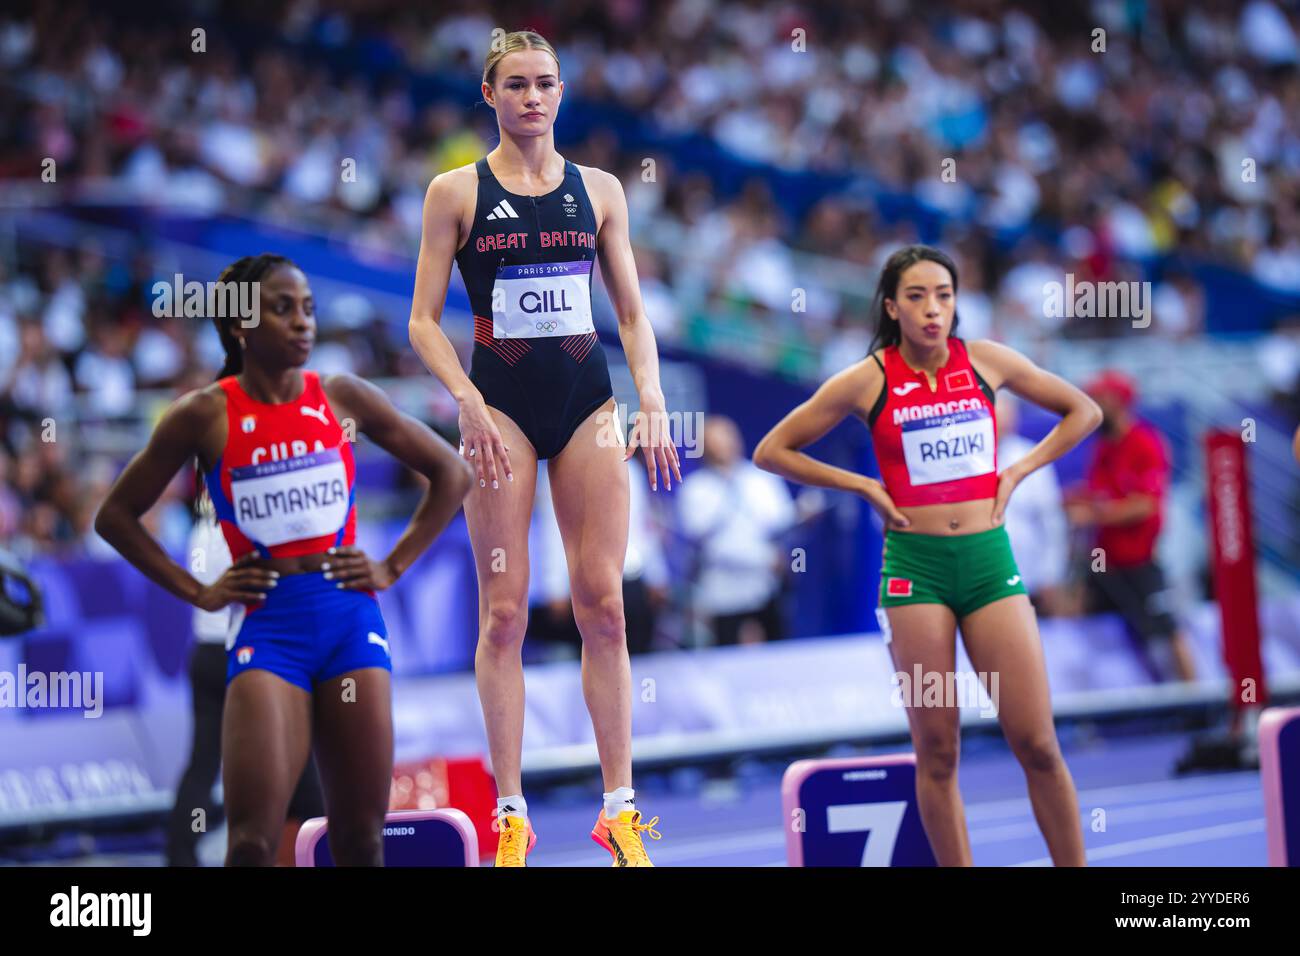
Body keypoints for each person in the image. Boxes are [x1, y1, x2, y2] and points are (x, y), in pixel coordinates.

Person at [95, 254, 472, 866]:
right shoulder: (204, 414)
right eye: (283, 309)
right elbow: (115, 515)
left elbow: (452, 473)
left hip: (350, 624)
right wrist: (200, 591)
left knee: (360, 840)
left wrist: (391, 567)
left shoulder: (343, 397)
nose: (303, 324)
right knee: (250, 843)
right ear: (241, 324)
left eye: (308, 310)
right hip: (270, 631)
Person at [407, 30, 679, 866]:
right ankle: (511, 814)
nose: (533, 97)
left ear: (562, 94)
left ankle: (620, 808)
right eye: (516, 84)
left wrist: (654, 400)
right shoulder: (455, 191)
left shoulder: (599, 192)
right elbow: (420, 321)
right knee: (504, 613)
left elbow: (631, 315)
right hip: (503, 410)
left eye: (546, 83)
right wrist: (467, 402)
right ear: (489, 95)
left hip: (589, 400)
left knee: (603, 603)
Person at [754, 244, 1101, 866]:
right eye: (916, 296)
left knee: (1039, 743)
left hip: (990, 562)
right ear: (892, 306)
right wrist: (861, 485)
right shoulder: (869, 378)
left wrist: (1017, 471)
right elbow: (773, 450)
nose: (932, 308)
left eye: (943, 294)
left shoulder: (988, 362)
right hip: (916, 572)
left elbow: (1085, 410)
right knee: (938, 753)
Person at [165, 495, 325, 867]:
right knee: (298, 764)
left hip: (205, 652)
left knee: (202, 764)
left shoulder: (201, 529)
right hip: (246, 654)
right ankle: (321, 848)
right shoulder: (251, 529)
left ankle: (179, 856)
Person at [1065, 370, 1198, 683]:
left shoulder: (1144, 442)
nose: (1094, 407)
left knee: (1168, 632)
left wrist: (1094, 515)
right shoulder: (1103, 447)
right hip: (1104, 562)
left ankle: (1199, 704)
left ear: (1120, 403)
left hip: (1138, 561)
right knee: (1077, 621)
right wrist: (1075, 499)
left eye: (1100, 400)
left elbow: (1145, 504)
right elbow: (1102, 494)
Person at [678, 415, 796, 646]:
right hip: (723, 595)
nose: (724, 445)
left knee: (776, 655)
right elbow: (704, 542)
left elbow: (781, 523)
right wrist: (762, 559)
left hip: (765, 589)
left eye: (728, 438)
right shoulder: (695, 489)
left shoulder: (761, 478)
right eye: (716, 440)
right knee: (728, 658)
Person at [995, 392, 1070, 616]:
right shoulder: (966, 458)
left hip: (1029, 577)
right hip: (982, 577)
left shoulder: (1030, 455)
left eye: (1005, 417)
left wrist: (1051, 574)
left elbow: (1051, 521)